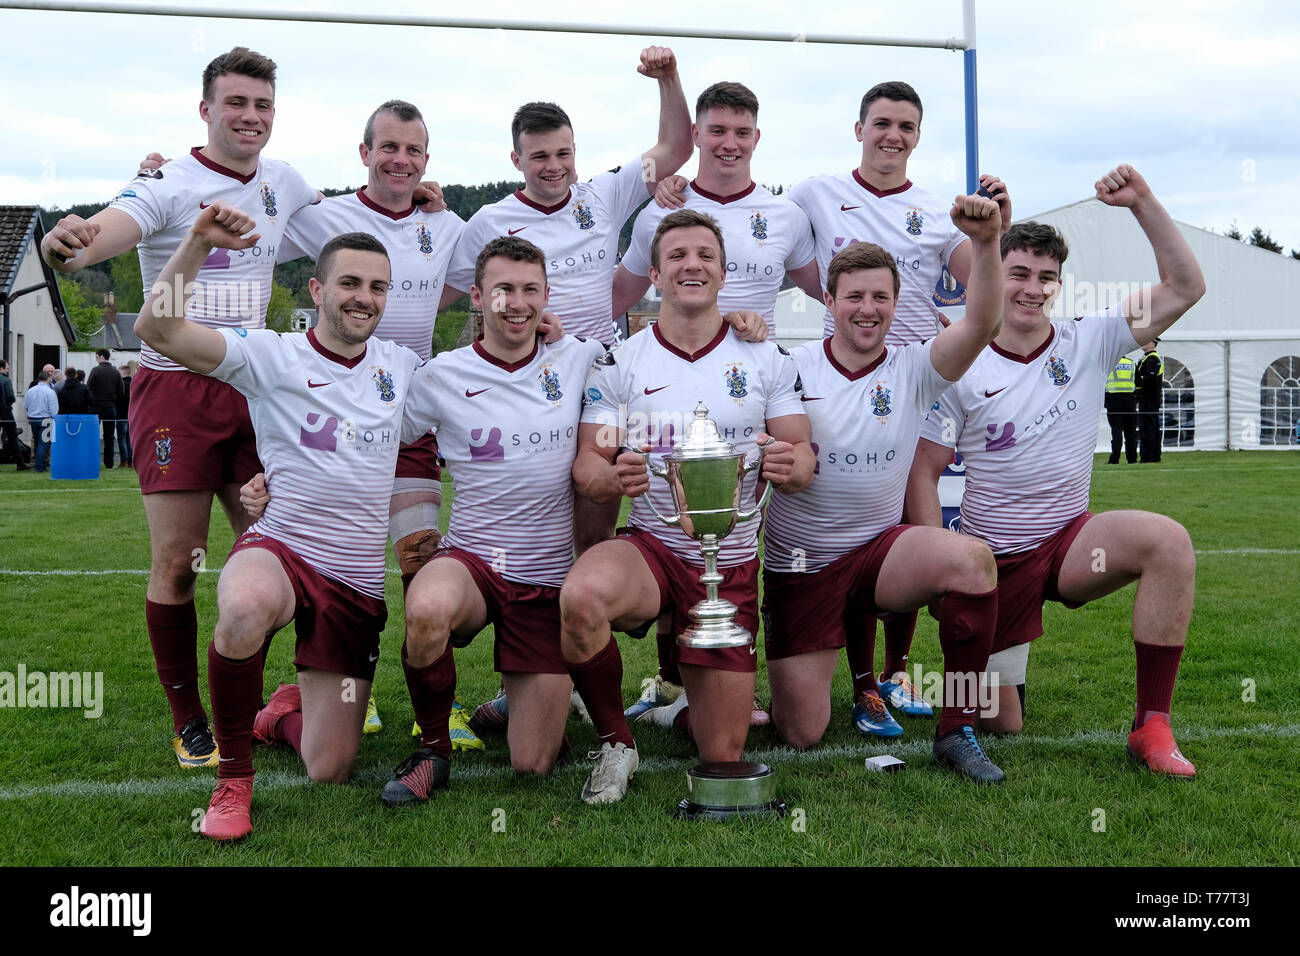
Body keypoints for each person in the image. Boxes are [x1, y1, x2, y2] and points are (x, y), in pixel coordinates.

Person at [40, 47, 319, 768]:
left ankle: (254, 708)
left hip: (256, 388)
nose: (250, 117)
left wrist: (419, 203)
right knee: (178, 564)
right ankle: (188, 715)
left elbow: (350, 230)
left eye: (262, 106)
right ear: (206, 110)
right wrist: (69, 242)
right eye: (236, 103)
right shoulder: (170, 182)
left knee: (274, 552)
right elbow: (106, 232)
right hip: (175, 387)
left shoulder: (284, 182)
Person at [135, 205, 427, 840]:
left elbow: (481, 388)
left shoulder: (401, 370)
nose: (364, 298)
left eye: (377, 286)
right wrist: (194, 246)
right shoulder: (271, 355)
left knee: (331, 766)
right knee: (242, 606)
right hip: (282, 548)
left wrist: (548, 337)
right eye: (350, 283)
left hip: (354, 586)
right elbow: (157, 329)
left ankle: (275, 718)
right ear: (318, 290)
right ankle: (232, 782)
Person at [909, 166, 1205, 777]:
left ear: (1058, 285)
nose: (1031, 288)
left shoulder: (1089, 339)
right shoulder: (958, 361)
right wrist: (938, 567)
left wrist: (1142, 202)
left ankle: (1152, 725)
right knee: (1000, 720)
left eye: (1046, 278)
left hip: (1070, 542)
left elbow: (1185, 285)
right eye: (1018, 273)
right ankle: (996, 677)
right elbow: (923, 473)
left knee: (1168, 541)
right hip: (991, 561)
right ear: (996, 274)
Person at [562, 209, 814, 804]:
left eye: (704, 255)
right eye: (676, 255)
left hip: (730, 561)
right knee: (582, 597)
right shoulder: (620, 361)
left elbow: (803, 455)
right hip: (654, 546)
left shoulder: (766, 356)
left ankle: (676, 709)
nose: (691, 265)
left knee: (723, 752)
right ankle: (615, 741)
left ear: (724, 273)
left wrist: (788, 462)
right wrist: (612, 474)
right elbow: (587, 465)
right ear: (654, 272)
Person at [782, 80, 1013, 727]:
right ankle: (856, 679)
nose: (893, 135)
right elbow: (766, 251)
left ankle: (894, 673)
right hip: (838, 383)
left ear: (917, 136)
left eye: (906, 126)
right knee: (850, 516)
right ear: (858, 128)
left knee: (914, 524)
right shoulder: (815, 193)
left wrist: (994, 235)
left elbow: (979, 290)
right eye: (882, 122)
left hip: (912, 382)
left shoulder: (937, 208)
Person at [762, 192, 1007, 780]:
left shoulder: (914, 367)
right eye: (854, 296)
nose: (867, 309)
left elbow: (984, 321)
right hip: (802, 564)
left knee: (972, 562)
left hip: (880, 554)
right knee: (802, 733)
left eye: (880, 297)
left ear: (897, 304)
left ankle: (958, 729)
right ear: (829, 300)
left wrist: (987, 241)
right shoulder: (789, 367)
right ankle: (827, 676)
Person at [610, 81, 821, 725]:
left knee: (730, 533)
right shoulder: (657, 209)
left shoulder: (785, 214)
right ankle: (570, 666)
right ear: (697, 137)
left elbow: (831, 294)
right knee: (639, 510)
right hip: (664, 371)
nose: (729, 144)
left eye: (742, 133)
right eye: (717, 131)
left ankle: (703, 681)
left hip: (747, 385)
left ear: (757, 138)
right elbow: (613, 298)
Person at [374, 236, 606, 802]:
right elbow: (374, 439)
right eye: (503, 289)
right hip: (473, 561)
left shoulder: (581, 357)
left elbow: (662, 353)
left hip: (547, 578)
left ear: (547, 296)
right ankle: (432, 750)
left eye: (530, 290)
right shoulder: (440, 376)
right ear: (478, 297)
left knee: (532, 765)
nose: (517, 302)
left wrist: (744, 326)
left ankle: (514, 704)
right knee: (426, 607)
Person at [275, 98, 469, 740]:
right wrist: (155, 172)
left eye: (413, 150)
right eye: (389, 147)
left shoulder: (444, 226)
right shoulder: (326, 216)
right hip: (336, 420)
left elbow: (495, 276)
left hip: (409, 418)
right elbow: (248, 213)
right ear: (364, 153)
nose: (401, 160)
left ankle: (434, 712)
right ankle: (336, 687)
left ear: (427, 160)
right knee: (335, 564)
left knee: (421, 561)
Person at [443, 46, 694, 348]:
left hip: (596, 373)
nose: (554, 166)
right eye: (540, 156)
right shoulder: (489, 221)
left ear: (575, 150)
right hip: (524, 376)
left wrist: (668, 79)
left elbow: (675, 148)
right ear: (516, 160)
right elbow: (434, 297)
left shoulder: (607, 194)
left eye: (563, 153)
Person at [87, 349, 124, 468]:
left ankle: (91, 461)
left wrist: (93, 401)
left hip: (96, 407)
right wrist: (114, 402)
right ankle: (109, 463)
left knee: (92, 435)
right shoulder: (116, 372)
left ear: (101, 356)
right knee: (109, 436)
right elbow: (121, 391)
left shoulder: (95, 370)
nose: (96, 359)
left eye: (97, 356)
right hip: (111, 407)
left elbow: (89, 388)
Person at [1104, 352, 1138, 464]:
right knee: (1131, 432)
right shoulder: (1131, 363)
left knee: (1116, 431)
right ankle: (1132, 459)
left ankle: (1114, 459)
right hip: (1130, 400)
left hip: (1113, 400)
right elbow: (1138, 383)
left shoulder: (1108, 364)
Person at [1135, 338, 1165, 462]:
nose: (1143, 342)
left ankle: (1148, 456)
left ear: (1153, 344)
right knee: (1151, 427)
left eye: (1146, 341)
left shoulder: (1152, 359)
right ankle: (1153, 455)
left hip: (1149, 399)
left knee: (1148, 428)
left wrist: (1139, 387)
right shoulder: (1149, 358)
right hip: (1150, 399)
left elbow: (1149, 379)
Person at [0, 360, 32, 471]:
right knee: (13, 437)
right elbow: (11, 397)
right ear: (2, 368)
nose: (8, 370)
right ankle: (20, 463)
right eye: (7, 368)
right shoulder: (6, 380)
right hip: (5, 412)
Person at [25, 369, 58, 472]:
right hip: (46, 420)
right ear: (48, 378)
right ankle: (40, 466)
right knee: (44, 444)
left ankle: (38, 464)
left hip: (33, 419)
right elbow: (54, 409)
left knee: (38, 443)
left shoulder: (30, 391)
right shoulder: (50, 392)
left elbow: (26, 406)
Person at [117, 363, 134, 468]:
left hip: (121, 414)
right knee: (130, 439)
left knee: (122, 438)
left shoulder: (120, 384)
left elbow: (118, 399)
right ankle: (131, 461)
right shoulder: (134, 383)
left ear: (122, 372)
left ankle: (124, 461)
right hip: (132, 415)